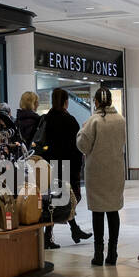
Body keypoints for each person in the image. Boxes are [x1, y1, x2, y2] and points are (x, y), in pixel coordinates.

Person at [76, 85, 126, 266]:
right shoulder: (120, 120)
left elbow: (83, 146)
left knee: (98, 212)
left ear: (96, 101)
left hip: (96, 172)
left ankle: (98, 253)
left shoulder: (93, 121)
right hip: (115, 170)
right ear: (111, 101)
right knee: (113, 211)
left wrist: (82, 130)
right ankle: (113, 252)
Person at [41, 87, 91, 248]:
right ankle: (59, 233)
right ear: (65, 102)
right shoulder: (69, 120)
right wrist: (79, 165)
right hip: (67, 165)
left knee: (56, 200)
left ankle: (67, 231)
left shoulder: (46, 119)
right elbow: (76, 146)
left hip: (51, 165)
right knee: (70, 198)